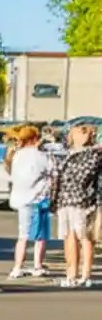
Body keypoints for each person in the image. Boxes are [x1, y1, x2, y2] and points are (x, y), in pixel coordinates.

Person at [49, 123, 102, 288]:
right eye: (78, 132)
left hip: (83, 201)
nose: (81, 135)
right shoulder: (69, 154)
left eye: (85, 132)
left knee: (85, 237)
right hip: (64, 200)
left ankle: (85, 275)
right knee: (68, 236)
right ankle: (71, 274)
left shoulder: (93, 154)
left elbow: (85, 175)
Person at [5, 125, 54, 279]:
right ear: (34, 139)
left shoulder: (15, 155)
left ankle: (17, 266)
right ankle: (37, 265)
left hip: (21, 200)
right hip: (38, 199)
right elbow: (53, 172)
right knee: (40, 235)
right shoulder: (41, 156)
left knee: (23, 235)